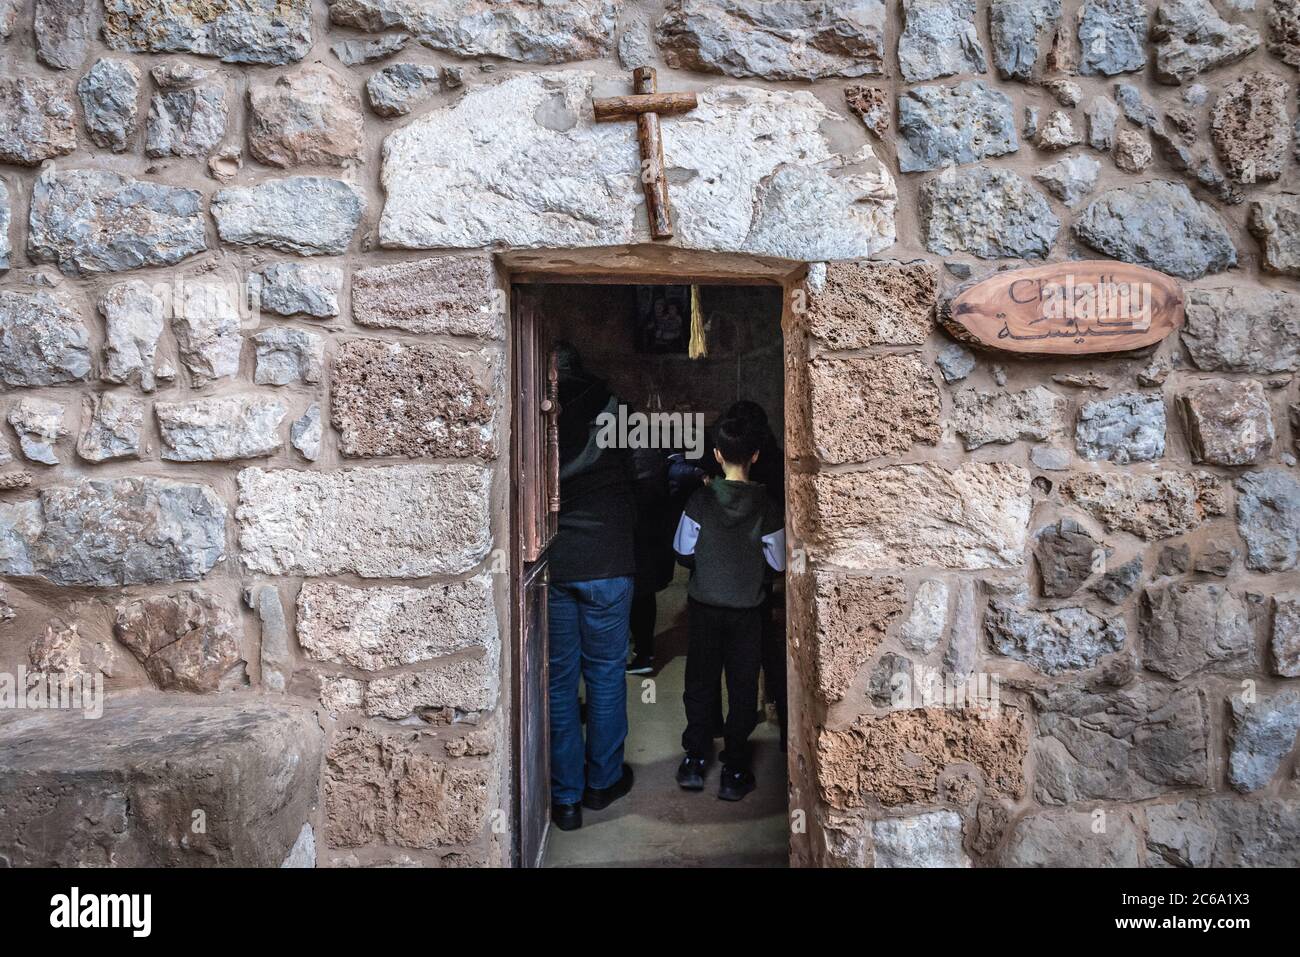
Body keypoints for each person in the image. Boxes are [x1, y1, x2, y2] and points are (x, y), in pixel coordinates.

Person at [672, 411, 785, 801]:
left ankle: (695, 759)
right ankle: (735, 767)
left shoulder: (701, 499)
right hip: (747, 611)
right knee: (741, 685)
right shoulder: (768, 505)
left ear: (717, 454)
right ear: (754, 456)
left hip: (705, 606)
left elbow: (683, 549)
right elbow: (780, 561)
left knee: (700, 681)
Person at [547, 341, 636, 832]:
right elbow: (646, 474)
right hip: (609, 559)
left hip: (557, 561)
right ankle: (602, 783)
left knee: (560, 684)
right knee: (605, 674)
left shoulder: (535, 409)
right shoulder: (615, 409)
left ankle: (565, 800)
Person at [701, 401, 788, 750]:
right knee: (763, 657)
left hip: (724, 579)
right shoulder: (777, 461)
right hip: (764, 575)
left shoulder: (723, 468)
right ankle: (782, 732)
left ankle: (710, 729)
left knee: (710, 663)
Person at [627, 445, 674, 675]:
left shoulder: (630, 462)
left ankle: (643, 653)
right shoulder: (652, 457)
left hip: (637, 537)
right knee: (644, 596)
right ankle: (645, 649)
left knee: (638, 596)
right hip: (652, 537)